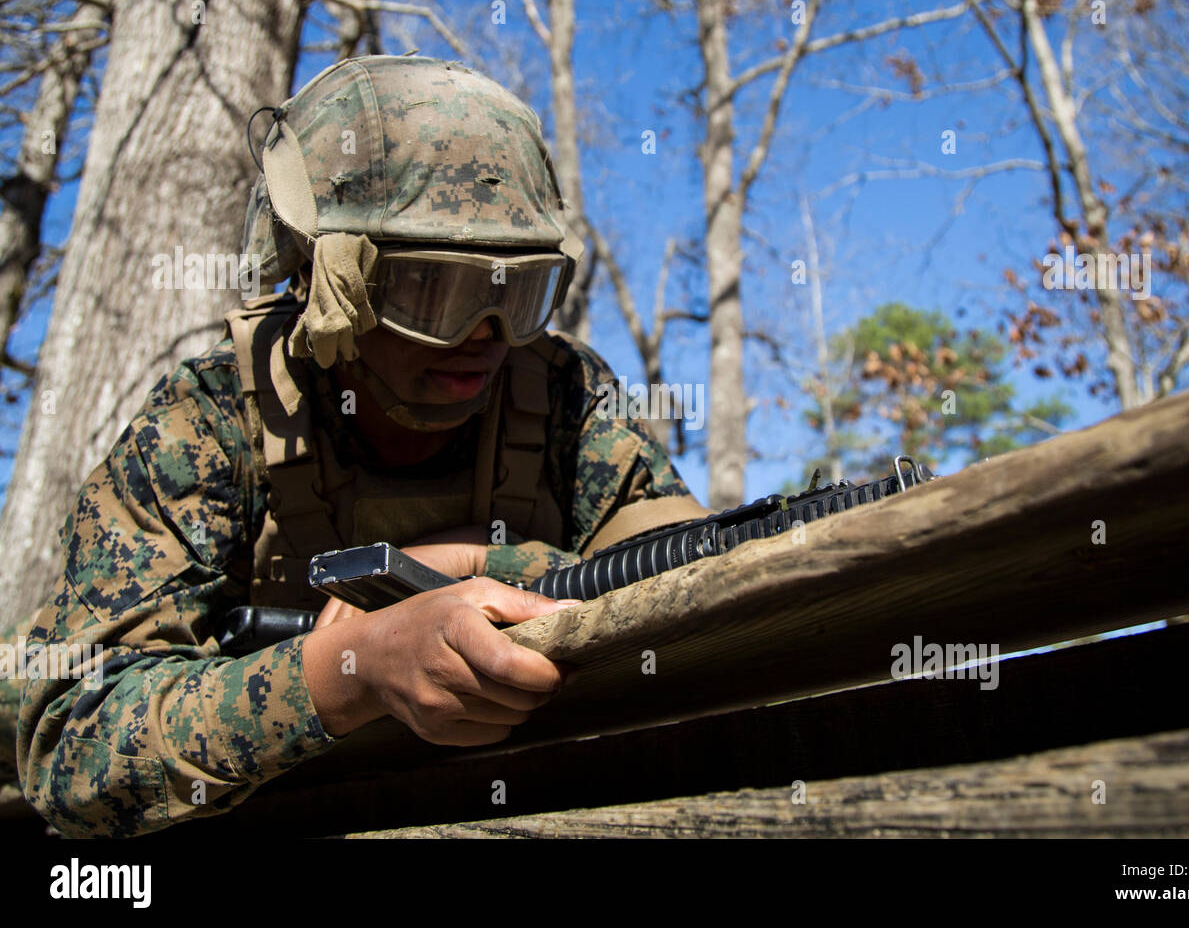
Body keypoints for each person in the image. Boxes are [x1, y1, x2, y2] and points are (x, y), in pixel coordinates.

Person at [11, 55, 708, 837]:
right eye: (432, 292)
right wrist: (357, 672)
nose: (484, 339)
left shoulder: (562, 394)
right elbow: (76, 747)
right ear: (327, 279)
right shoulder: (207, 424)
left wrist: (475, 561)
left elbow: (695, 575)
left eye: (518, 293)